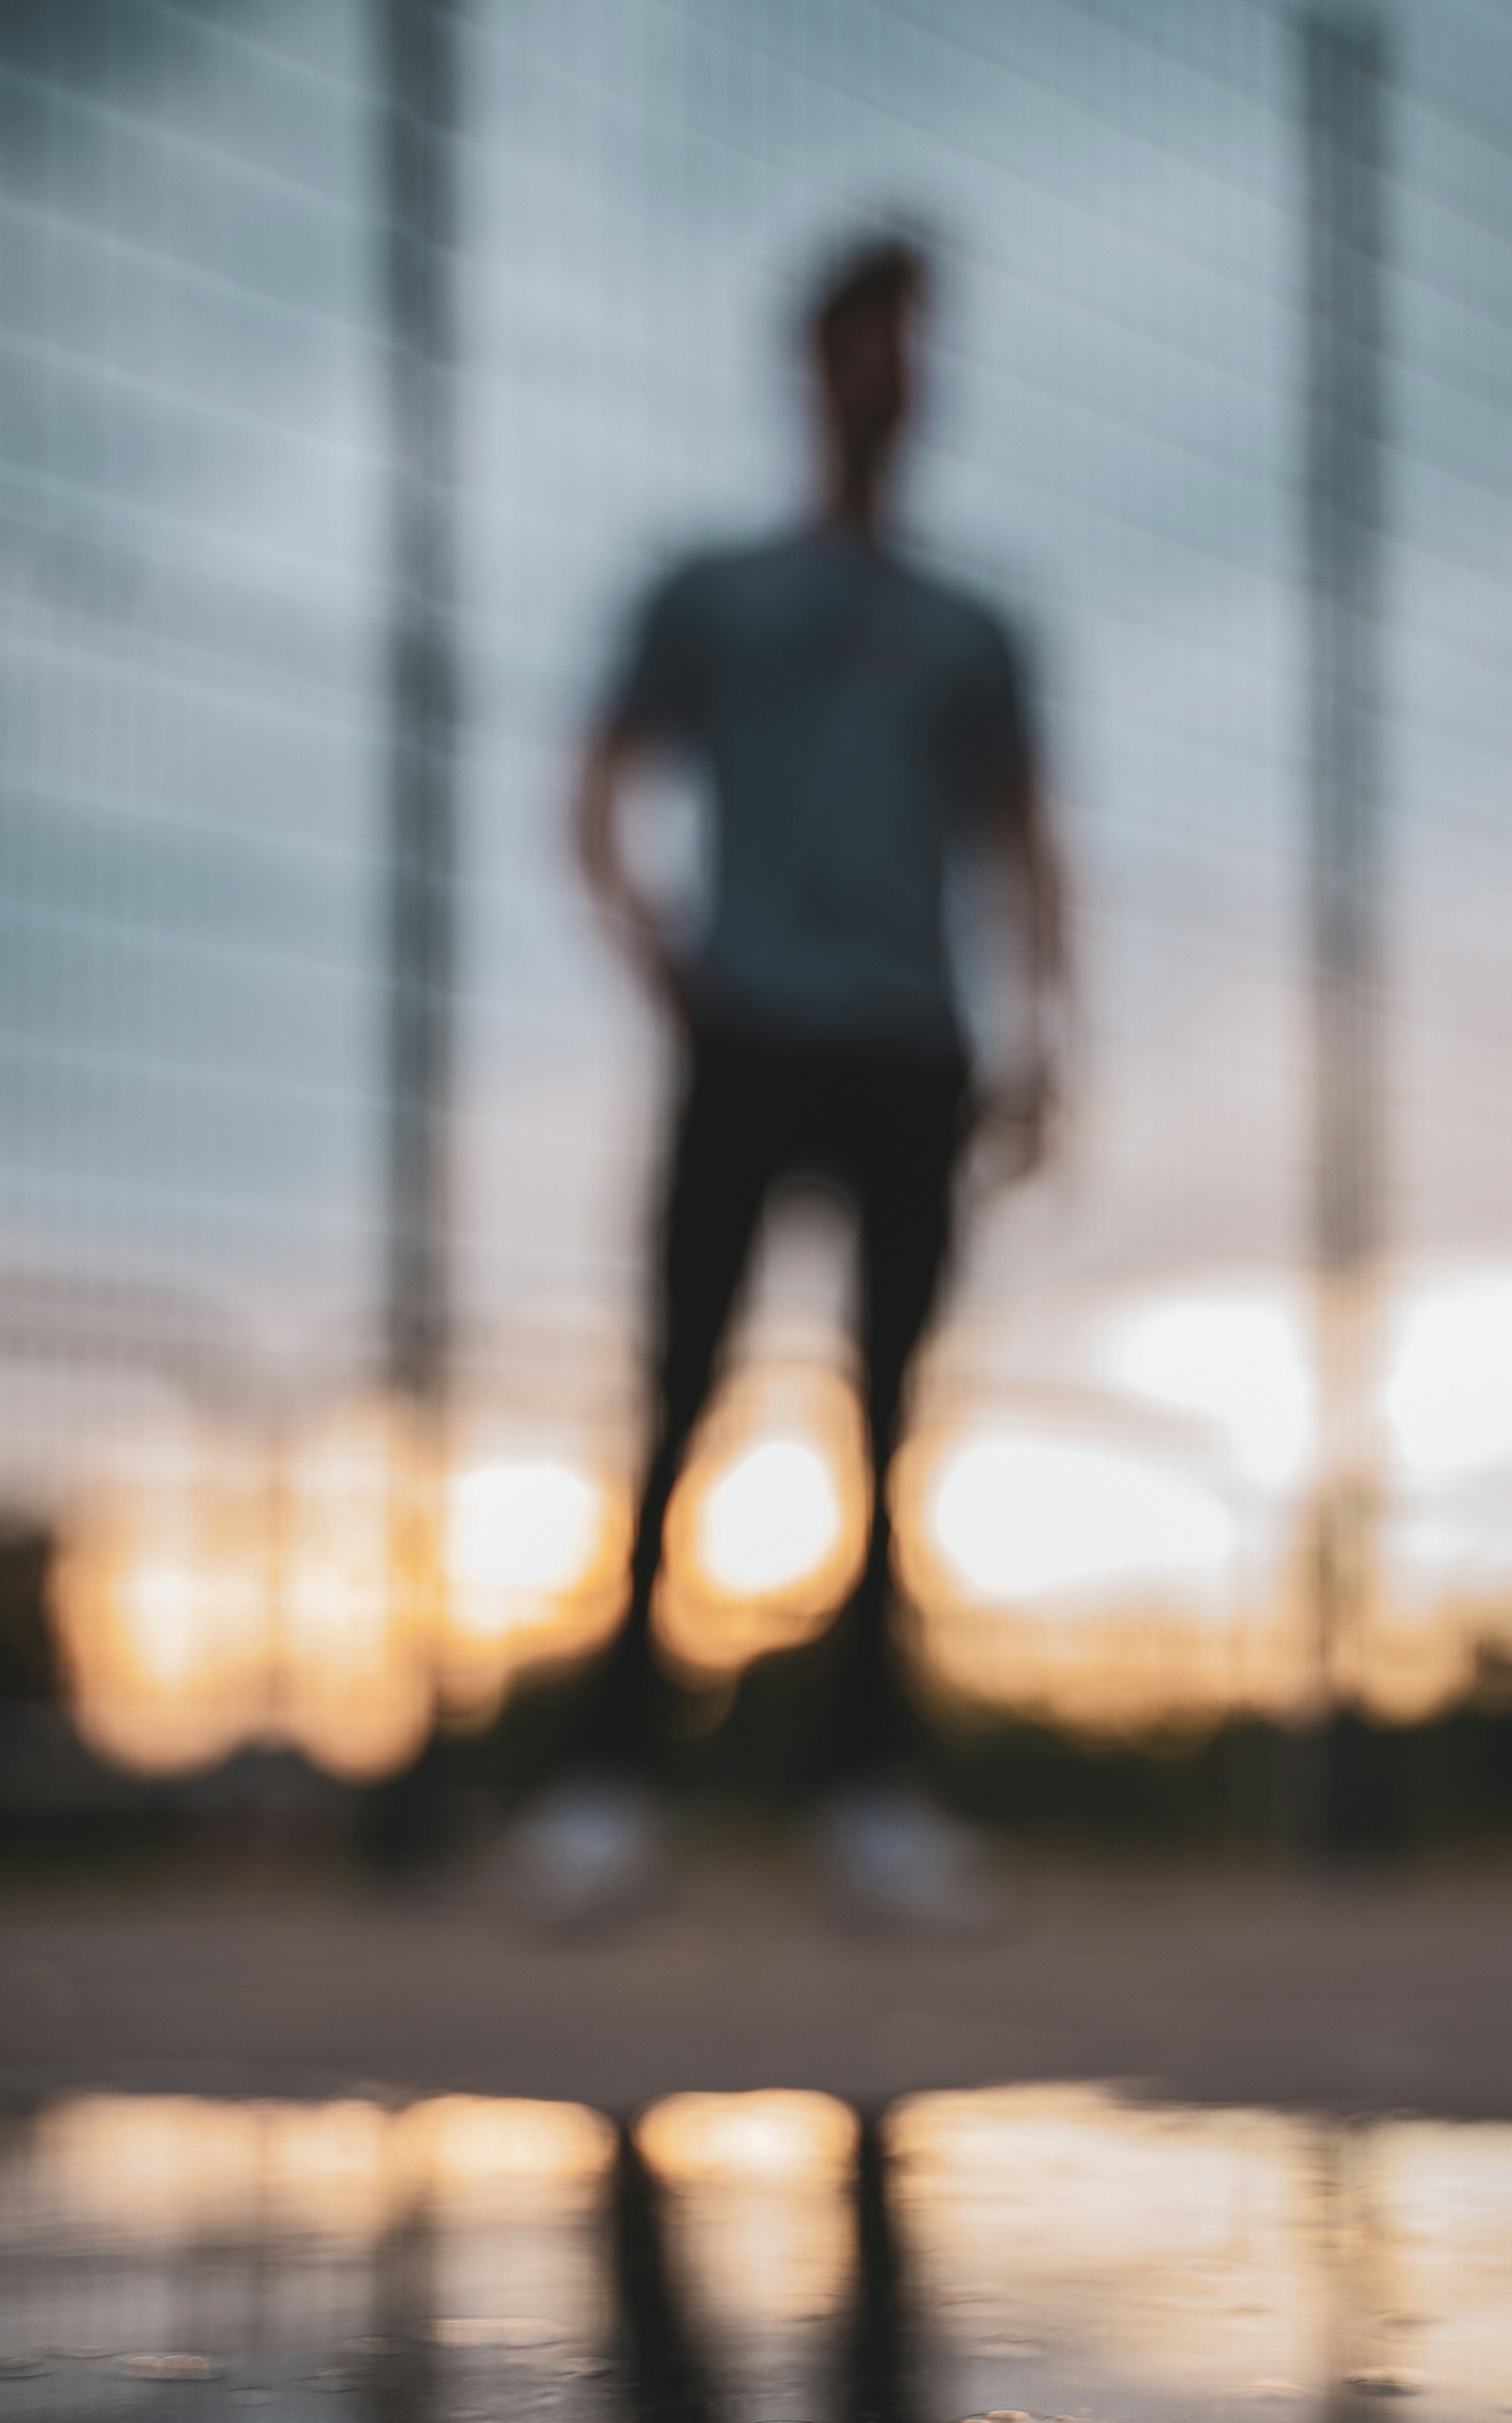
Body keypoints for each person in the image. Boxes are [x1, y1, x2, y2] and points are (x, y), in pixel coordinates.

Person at [507, 233, 1071, 1931]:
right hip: (747, 1032)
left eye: (913, 341)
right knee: (679, 1394)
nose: (892, 372)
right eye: (866, 338)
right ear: (813, 363)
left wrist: (1051, 1031)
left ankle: (870, 1795)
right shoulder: (713, 593)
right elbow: (598, 780)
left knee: (887, 1424)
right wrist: (646, 941)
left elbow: (1023, 836)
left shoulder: (970, 627)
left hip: (910, 1046)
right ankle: (610, 1785)